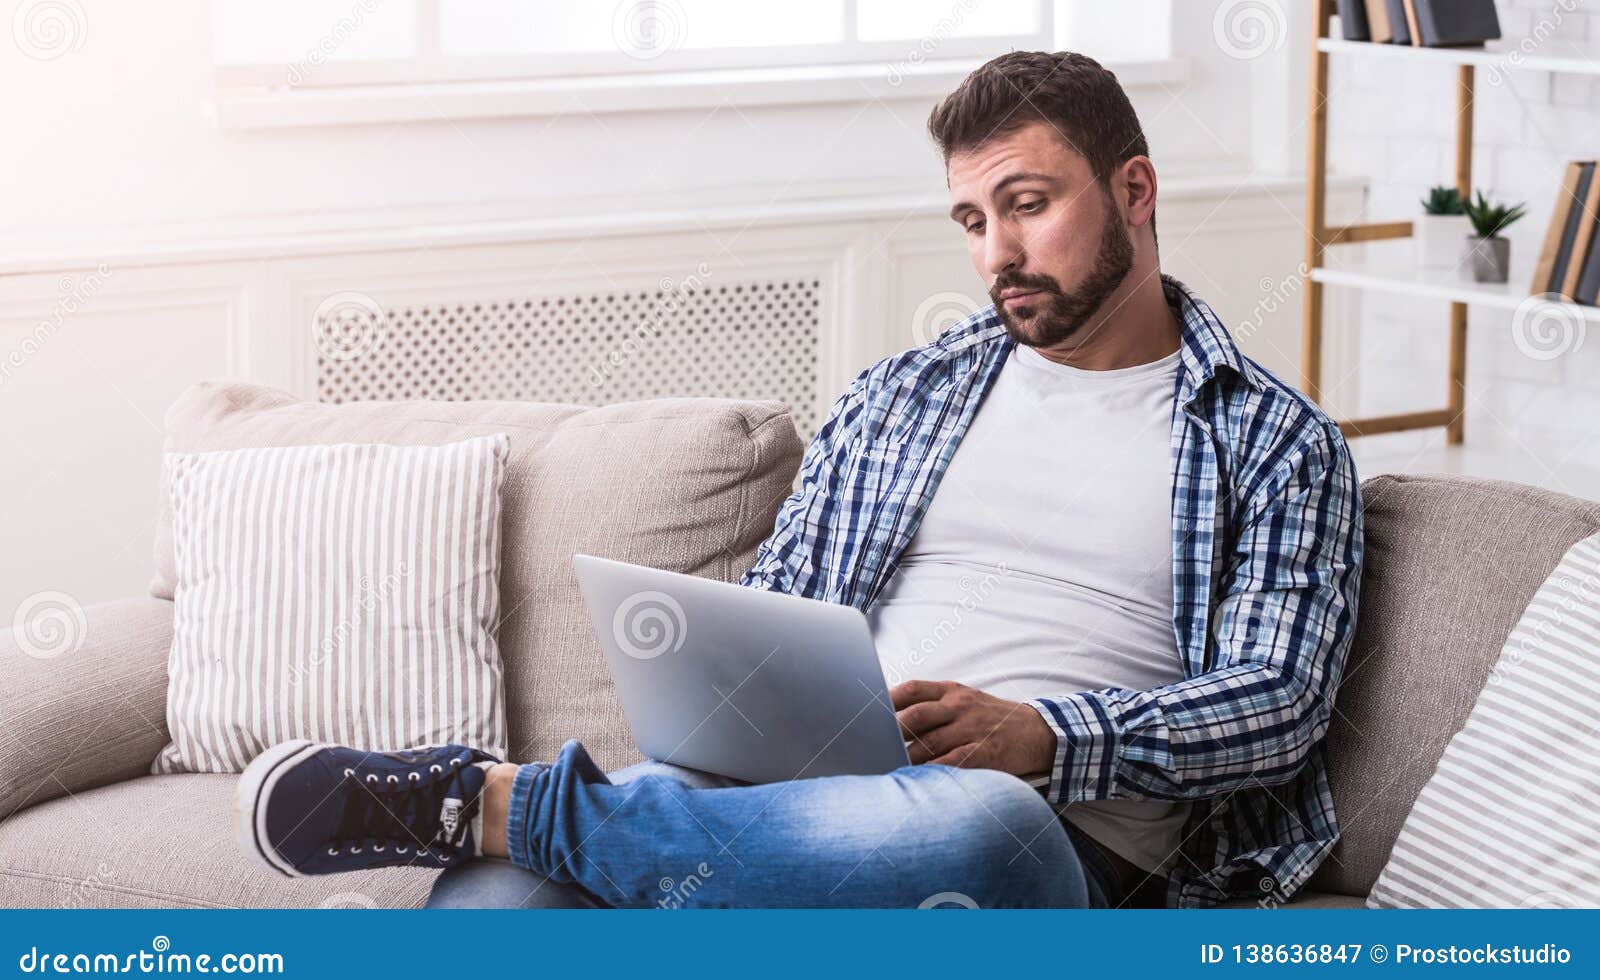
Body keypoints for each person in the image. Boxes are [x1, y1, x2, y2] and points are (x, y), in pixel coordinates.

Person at [235, 50, 1362, 909]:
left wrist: (1047, 738)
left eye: (1027, 205)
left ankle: (492, 802)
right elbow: (780, 611)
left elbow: (1279, 701)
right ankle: (529, 826)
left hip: (1049, 836)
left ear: (1133, 189)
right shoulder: (906, 393)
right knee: (500, 897)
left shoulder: (1270, 438)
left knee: (978, 826)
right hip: (804, 797)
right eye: (972, 219)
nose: (997, 256)